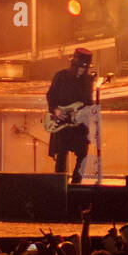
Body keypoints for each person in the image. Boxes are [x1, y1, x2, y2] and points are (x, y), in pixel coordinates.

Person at [47, 48, 95, 184]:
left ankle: (76, 185)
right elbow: (51, 95)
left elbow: (87, 101)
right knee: (61, 155)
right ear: (73, 65)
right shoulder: (61, 77)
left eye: (84, 68)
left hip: (80, 125)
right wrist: (55, 110)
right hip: (62, 123)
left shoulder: (88, 80)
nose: (81, 70)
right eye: (79, 67)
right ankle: (60, 185)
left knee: (82, 155)